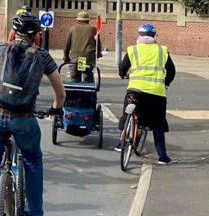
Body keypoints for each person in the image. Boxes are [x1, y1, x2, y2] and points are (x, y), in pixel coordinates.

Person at [0, 12, 65, 216]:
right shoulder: (42, 56)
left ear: (13, 33)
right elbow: (60, 93)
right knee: (33, 159)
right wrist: (55, 109)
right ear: (37, 36)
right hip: (22, 118)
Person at [115, 23, 176, 164]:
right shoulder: (162, 50)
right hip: (157, 93)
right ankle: (162, 156)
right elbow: (171, 72)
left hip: (135, 90)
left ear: (139, 35)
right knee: (158, 124)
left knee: (126, 115)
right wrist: (165, 83)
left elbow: (122, 68)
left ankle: (120, 144)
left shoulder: (133, 50)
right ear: (154, 36)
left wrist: (123, 75)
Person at [63, 11, 100, 82]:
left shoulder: (72, 29)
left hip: (75, 58)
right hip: (88, 57)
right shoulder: (93, 29)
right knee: (88, 75)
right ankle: (88, 86)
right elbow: (98, 43)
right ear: (88, 20)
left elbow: (67, 44)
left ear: (78, 20)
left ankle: (75, 88)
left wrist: (66, 56)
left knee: (74, 78)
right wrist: (98, 53)